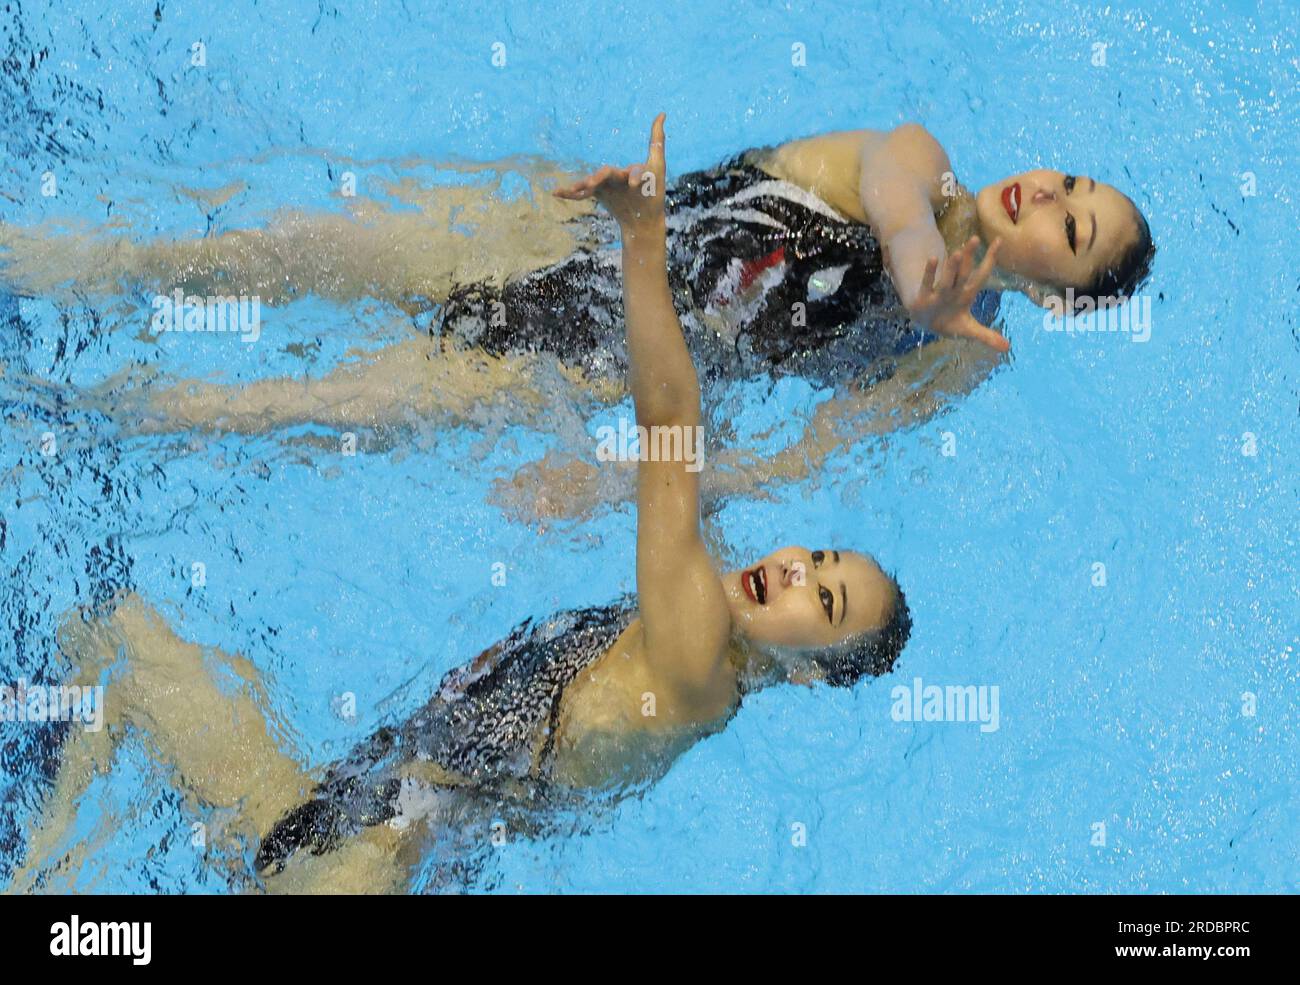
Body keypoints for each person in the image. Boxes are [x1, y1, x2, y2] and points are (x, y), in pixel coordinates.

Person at [14, 115, 916, 894]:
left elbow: (672, 420)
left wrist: (643, 243)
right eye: (822, 557)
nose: (801, 568)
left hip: (379, 852)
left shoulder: (693, 652)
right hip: (373, 792)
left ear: (806, 668)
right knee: (113, 640)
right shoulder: (704, 615)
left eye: (824, 600)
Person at [4, 120, 1154, 509]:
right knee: (212, 257)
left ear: (1054, 296)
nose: (1048, 194)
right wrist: (916, 270)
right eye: (1072, 183)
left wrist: (614, 486)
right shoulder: (920, 157)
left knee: (278, 410)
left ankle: (55, 409)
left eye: (1071, 228)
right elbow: (905, 218)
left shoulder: (957, 365)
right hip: (543, 234)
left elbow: (797, 459)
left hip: (587, 366)